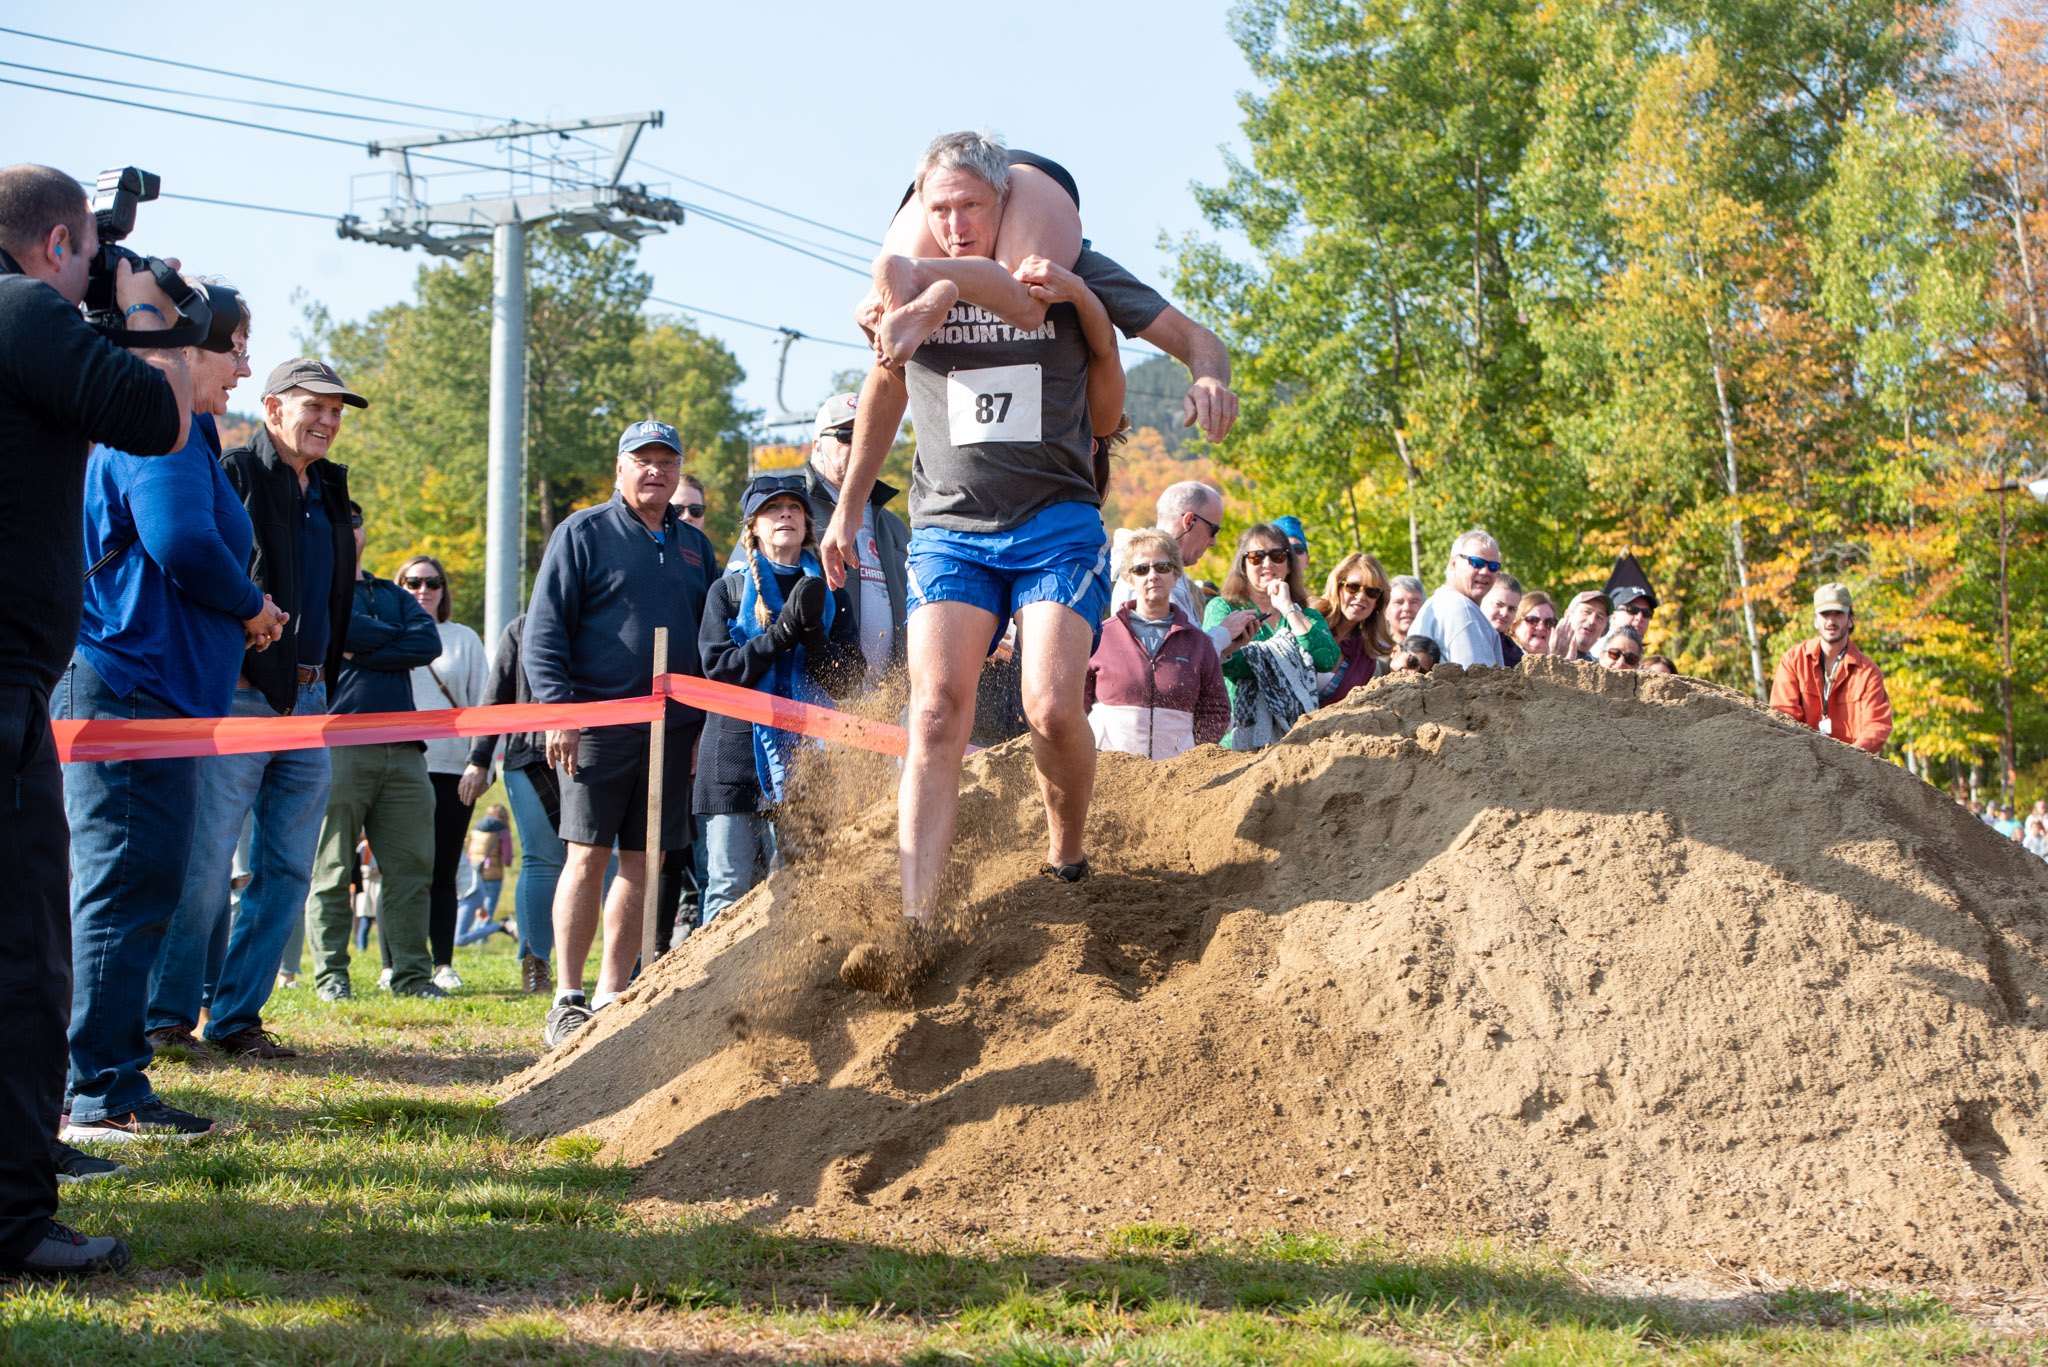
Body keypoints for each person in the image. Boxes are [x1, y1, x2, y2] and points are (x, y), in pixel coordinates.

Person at [822, 134, 1237, 990]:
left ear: (1005, 201)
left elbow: (1194, 336)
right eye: (940, 209)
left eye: (973, 205)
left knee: (1051, 706)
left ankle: (1068, 852)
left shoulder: (1069, 266)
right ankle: (915, 923)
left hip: (1053, 522)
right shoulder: (908, 279)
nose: (957, 223)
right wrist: (850, 505)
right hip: (949, 525)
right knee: (936, 711)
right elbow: (886, 387)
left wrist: (1207, 376)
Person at [0, 163, 197, 1277]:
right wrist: (138, 311)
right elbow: (153, 418)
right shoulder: (24, 307)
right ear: (63, 242)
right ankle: (14, 1221)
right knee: (23, 964)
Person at [56, 281, 282, 1150]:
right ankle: (99, 1091)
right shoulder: (163, 425)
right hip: (128, 687)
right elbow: (183, 541)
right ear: (187, 349)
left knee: (137, 886)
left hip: (150, 691)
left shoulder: (178, 426)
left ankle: (109, 1079)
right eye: (235, 349)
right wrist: (254, 605)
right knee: (122, 888)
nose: (244, 367)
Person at [148, 360, 360, 1062]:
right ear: (271, 407)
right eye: (314, 406)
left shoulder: (332, 488)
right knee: (205, 866)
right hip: (239, 692)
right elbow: (196, 565)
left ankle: (237, 1015)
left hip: (312, 701)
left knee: (288, 872)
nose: (327, 421)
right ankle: (167, 1014)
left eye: (337, 410)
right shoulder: (233, 470)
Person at [526, 420, 715, 1046]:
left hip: (671, 730)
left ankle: (612, 995)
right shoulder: (582, 533)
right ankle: (568, 997)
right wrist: (560, 711)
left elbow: (706, 636)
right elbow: (545, 630)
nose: (655, 471)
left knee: (646, 858)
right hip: (597, 724)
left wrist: (698, 729)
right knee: (586, 855)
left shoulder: (693, 546)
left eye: (667, 460)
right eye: (643, 459)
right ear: (620, 467)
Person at [696, 476, 864, 923]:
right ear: (753, 526)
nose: (785, 514)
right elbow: (720, 671)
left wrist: (813, 636)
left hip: (809, 757)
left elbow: (849, 681)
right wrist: (781, 634)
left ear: (808, 524)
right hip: (734, 753)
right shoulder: (727, 591)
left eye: (794, 507)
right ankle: (712, 990)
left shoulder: (832, 592)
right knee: (729, 883)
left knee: (799, 877)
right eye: (773, 508)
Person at [300, 503, 443, 1001]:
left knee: (411, 869)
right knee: (333, 869)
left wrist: (357, 647)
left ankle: (412, 977)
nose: (351, 529)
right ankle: (331, 977)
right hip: (338, 744)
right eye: (344, 520)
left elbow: (426, 643)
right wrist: (371, 639)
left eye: (356, 521)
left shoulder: (391, 593)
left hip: (405, 751)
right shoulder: (315, 585)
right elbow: (338, 630)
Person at [393, 553, 488, 991]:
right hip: (400, 763)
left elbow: (485, 706)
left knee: (443, 868)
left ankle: (443, 962)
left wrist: (479, 761)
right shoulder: (389, 634)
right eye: (413, 582)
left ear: (444, 590)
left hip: (453, 768)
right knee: (402, 868)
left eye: (433, 583)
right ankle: (394, 962)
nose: (423, 590)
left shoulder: (464, 639)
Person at [466, 614, 561, 994]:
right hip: (531, 755)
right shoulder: (522, 627)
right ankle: (535, 963)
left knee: (606, 859)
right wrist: (479, 758)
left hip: (596, 753)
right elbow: (496, 695)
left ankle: (625, 966)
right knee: (542, 859)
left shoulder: (604, 619)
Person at [1087, 529, 1228, 759]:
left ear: (1176, 575)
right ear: (1129, 577)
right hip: (1110, 775)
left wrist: (1191, 752)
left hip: (1175, 780)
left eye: (1162, 568)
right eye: (1142, 569)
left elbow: (1216, 710)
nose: (1152, 576)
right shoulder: (1100, 636)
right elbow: (1078, 705)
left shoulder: (1199, 644)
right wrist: (1096, 751)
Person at [804, 392, 908, 688]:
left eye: (869, 434)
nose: (861, 444)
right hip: (818, 701)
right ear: (816, 446)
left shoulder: (895, 526)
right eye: (846, 435)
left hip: (890, 702)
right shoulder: (788, 512)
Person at [1204, 525, 1340, 749]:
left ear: (1289, 565)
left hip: (1297, 743)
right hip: (1235, 744)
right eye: (1256, 557)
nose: (1267, 564)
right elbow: (1226, 663)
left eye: (1277, 556)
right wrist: (1290, 659)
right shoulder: (1224, 609)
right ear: (1243, 565)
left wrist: (1288, 609)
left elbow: (1327, 660)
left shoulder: (1305, 615)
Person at [1111, 481, 1256, 658]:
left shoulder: (1148, 569)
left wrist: (1225, 647)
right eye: (1213, 530)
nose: (1214, 542)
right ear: (1189, 521)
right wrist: (1223, 632)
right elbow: (1174, 658)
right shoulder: (1157, 578)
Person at [1769, 583, 1894, 754]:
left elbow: (1877, 725)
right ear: (1815, 620)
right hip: (1802, 761)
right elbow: (1782, 715)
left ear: (1850, 620)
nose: (1830, 621)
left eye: (1838, 614)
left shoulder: (1868, 672)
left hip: (1852, 765)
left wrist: (1848, 758)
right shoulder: (1793, 660)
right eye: (1825, 614)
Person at [1410, 530, 1506, 668]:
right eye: (1476, 562)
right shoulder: (1462, 609)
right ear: (1454, 563)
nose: (1485, 571)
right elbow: (1480, 681)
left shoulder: (1436, 602)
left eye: (1493, 566)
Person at [1308, 553, 1394, 706]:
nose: (1361, 597)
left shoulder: (1367, 655)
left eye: (1371, 591)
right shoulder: (1308, 622)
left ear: (1378, 602)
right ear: (1338, 587)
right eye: (1353, 587)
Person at [454, 805, 514, 946]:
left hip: (474, 875)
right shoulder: (502, 832)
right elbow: (507, 859)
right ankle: (482, 940)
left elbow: (469, 854)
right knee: (488, 910)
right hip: (493, 877)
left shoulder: (477, 829)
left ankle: (477, 941)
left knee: (478, 910)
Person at [1481, 572, 1524, 667]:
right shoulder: (1469, 637)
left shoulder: (1516, 655)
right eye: (1498, 605)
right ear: (1482, 600)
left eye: (1512, 609)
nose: (1505, 613)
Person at [1557, 591, 1610, 661]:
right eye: (1586, 612)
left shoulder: (1599, 668)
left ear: (1604, 627)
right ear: (1568, 615)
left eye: (1600, 617)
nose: (1592, 621)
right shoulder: (1542, 653)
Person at [1513, 591, 1558, 657]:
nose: (1541, 627)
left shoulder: (1561, 658)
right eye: (1533, 620)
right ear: (1515, 624)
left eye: (1549, 622)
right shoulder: (1502, 656)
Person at [1272, 515, 1312, 589]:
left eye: (1297, 549)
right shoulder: (1245, 600)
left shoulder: (1316, 600)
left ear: (1307, 560)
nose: (1291, 555)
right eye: (1281, 551)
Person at [1385, 575, 1426, 646]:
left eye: (1414, 602)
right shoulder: (1372, 650)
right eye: (1399, 602)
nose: (1407, 608)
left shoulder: (1435, 649)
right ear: (1385, 611)